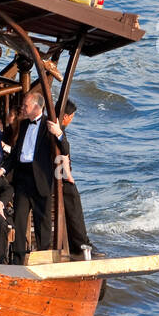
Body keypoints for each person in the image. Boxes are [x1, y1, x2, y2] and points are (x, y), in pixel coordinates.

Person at [3, 90, 67, 260]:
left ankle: (43, 258)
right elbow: (17, 152)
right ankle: (18, 258)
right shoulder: (23, 125)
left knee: (42, 223)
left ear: (37, 107)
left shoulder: (49, 125)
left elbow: (65, 149)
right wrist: (3, 169)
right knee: (19, 219)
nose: (22, 108)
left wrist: (59, 133)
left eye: (26, 105)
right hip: (22, 178)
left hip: (41, 179)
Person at [57, 98, 92, 257]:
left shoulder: (52, 128)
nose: (72, 120)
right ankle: (80, 242)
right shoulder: (60, 131)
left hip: (56, 174)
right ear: (65, 116)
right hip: (58, 178)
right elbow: (62, 157)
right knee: (73, 198)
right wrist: (68, 176)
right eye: (72, 117)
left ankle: (78, 239)